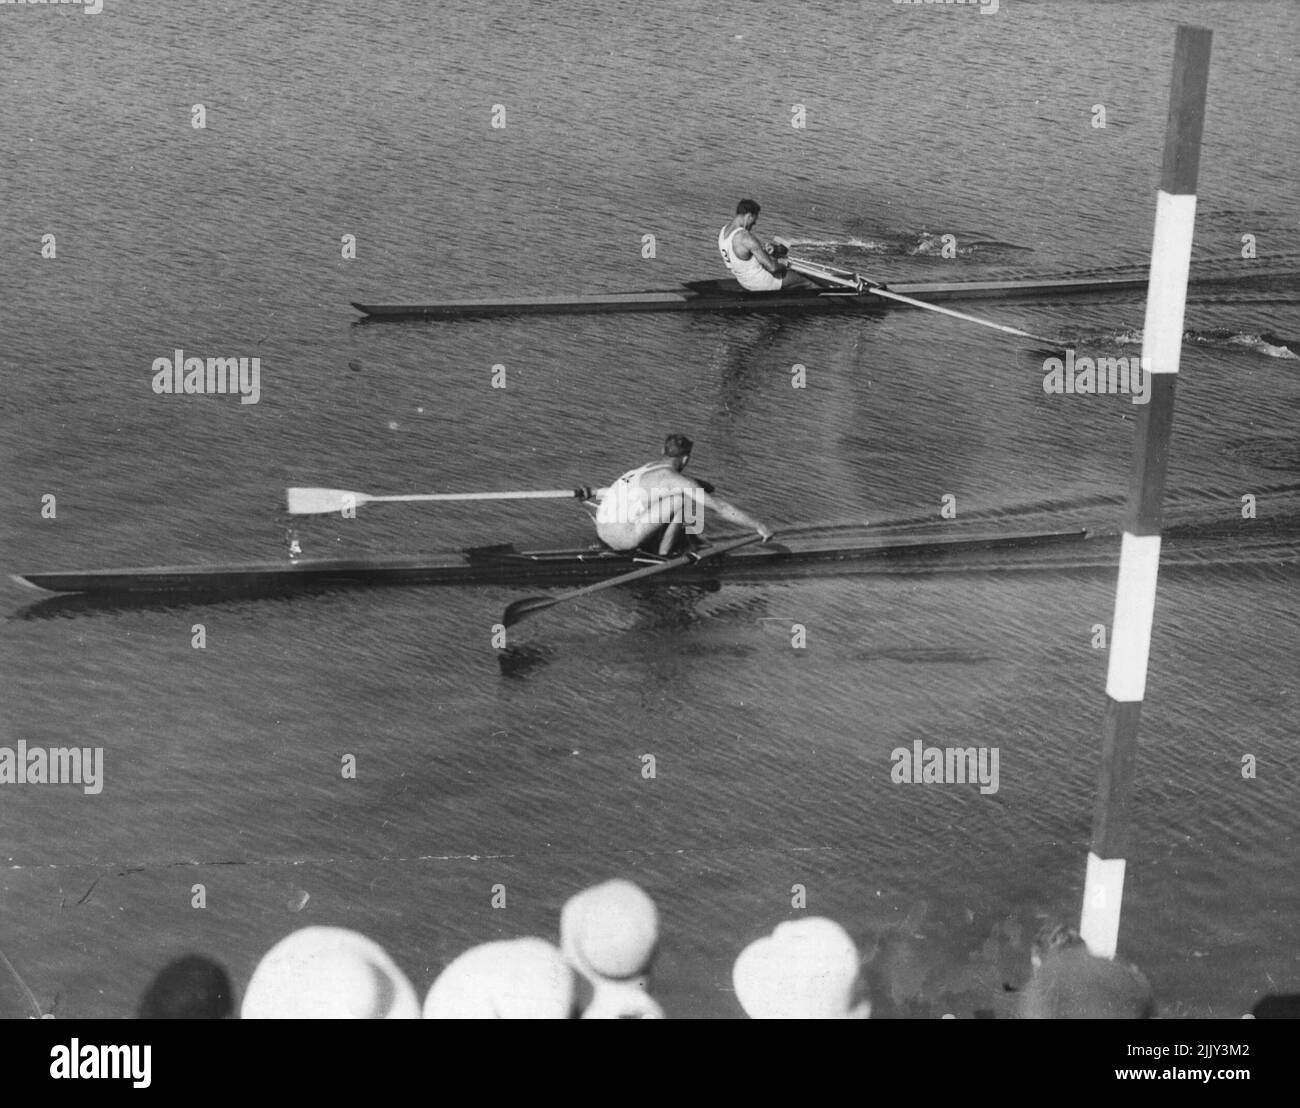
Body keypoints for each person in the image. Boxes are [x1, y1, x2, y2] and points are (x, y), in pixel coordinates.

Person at [593, 434, 773, 557]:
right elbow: (720, 508)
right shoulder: (674, 480)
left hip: (602, 531)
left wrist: (699, 485)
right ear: (686, 459)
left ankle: (677, 541)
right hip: (623, 539)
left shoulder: (643, 470)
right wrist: (758, 525)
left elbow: (672, 483)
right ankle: (664, 555)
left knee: (673, 497)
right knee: (684, 499)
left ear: (663, 451)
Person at [718, 199, 811, 291]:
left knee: (788, 274)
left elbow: (737, 260)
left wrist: (763, 252)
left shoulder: (723, 231)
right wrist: (784, 264)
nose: (753, 225)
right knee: (806, 279)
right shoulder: (745, 237)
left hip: (743, 281)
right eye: (753, 222)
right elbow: (773, 268)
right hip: (760, 283)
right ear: (749, 216)